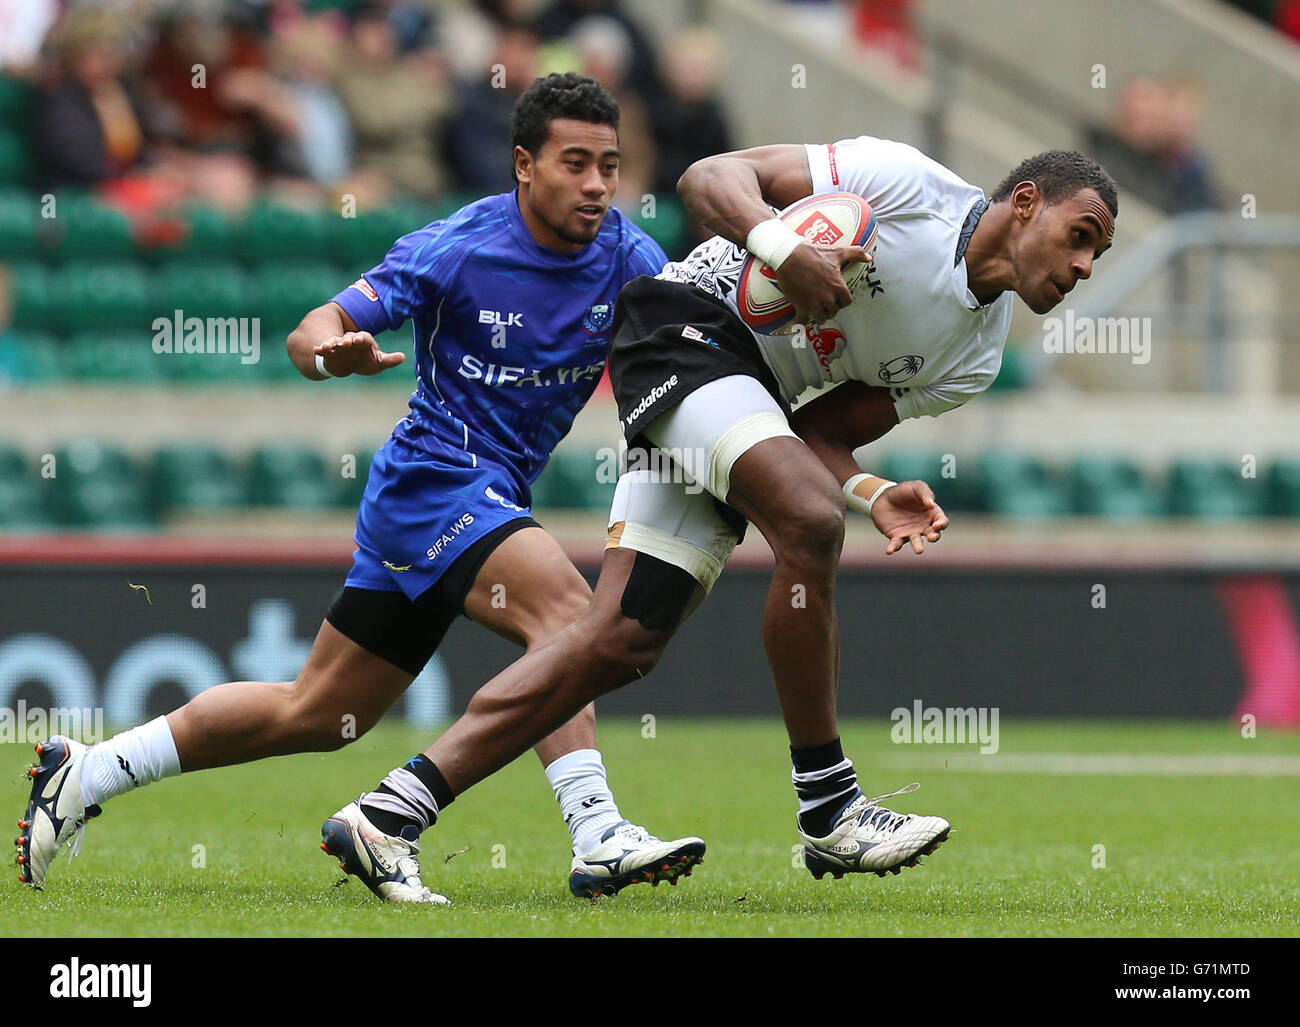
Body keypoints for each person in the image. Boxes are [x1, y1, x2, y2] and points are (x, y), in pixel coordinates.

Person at [328, 140, 1118, 892]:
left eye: (1096, 255)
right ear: (1024, 203)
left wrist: (873, 492)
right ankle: (830, 805)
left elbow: (822, 434)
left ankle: (390, 812)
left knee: (620, 639)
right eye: (1079, 237)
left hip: (747, 404)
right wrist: (783, 249)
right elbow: (711, 177)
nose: (1083, 266)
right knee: (808, 523)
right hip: (683, 329)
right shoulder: (907, 185)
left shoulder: (975, 358)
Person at [17, 74, 705, 904]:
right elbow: (314, 328)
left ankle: (90, 768)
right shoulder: (459, 246)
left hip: (481, 500)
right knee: (569, 617)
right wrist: (331, 349)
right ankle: (596, 830)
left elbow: (697, 355)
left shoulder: (631, 258)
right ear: (524, 165)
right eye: (575, 164)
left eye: (610, 165)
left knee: (316, 711)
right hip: (435, 479)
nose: (597, 185)